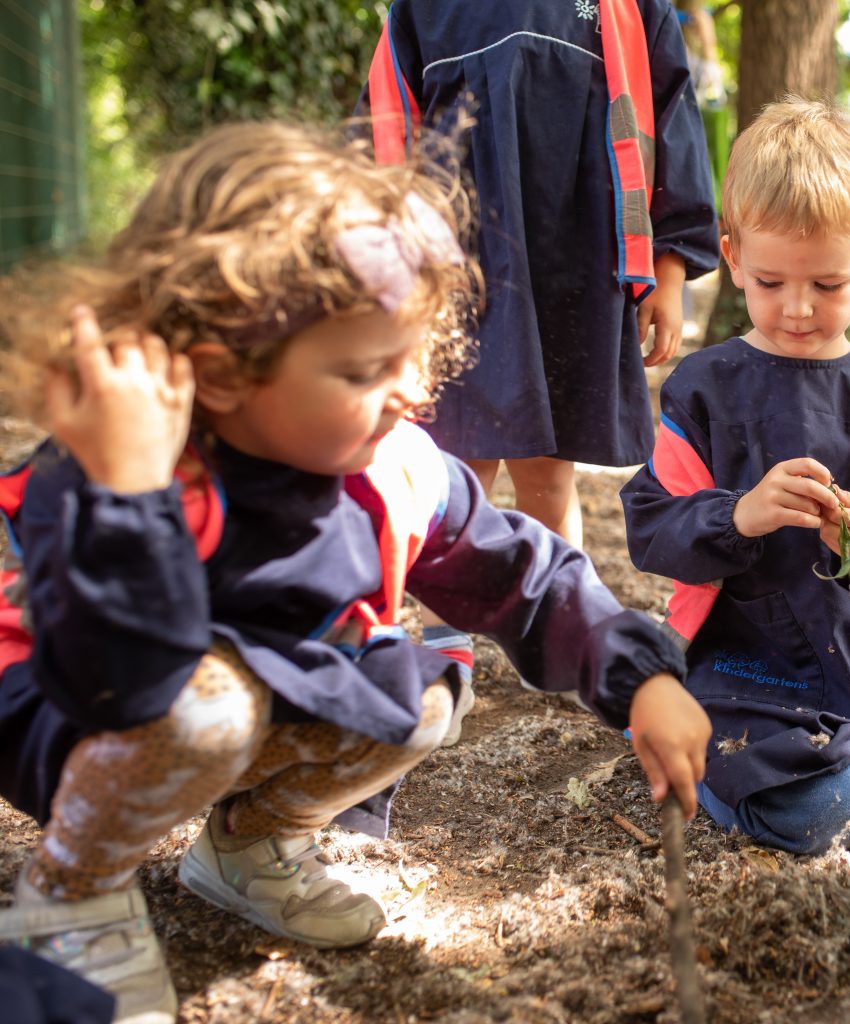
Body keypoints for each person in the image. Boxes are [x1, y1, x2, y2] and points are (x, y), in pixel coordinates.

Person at [0, 123, 711, 1024]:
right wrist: (131, 497)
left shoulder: (390, 468)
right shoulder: (130, 475)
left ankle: (247, 849)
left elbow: (519, 578)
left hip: (246, 686)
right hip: (74, 705)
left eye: (415, 352)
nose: (415, 389)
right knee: (204, 708)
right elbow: (120, 684)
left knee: (420, 693)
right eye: (368, 368)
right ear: (221, 375)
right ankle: (71, 896)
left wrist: (635, 675)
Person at [621, 100, 850, 856]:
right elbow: (650, 528)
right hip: (741, 669)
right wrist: (739, 515)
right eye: (771, 281)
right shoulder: (702, 390)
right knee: (823, 815)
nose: (799, 309)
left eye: (828, 284)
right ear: (734, 256)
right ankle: (710, 768)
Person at [360, 0, 720, 717]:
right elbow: (387, 131)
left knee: (550, 470)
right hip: (463, 273)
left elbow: (670, 117)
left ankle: (561, 642)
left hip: (575, 263)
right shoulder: (422, 11)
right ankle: (444, 653)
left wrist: (670, 272)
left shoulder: (626, 7)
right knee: (454, 467)